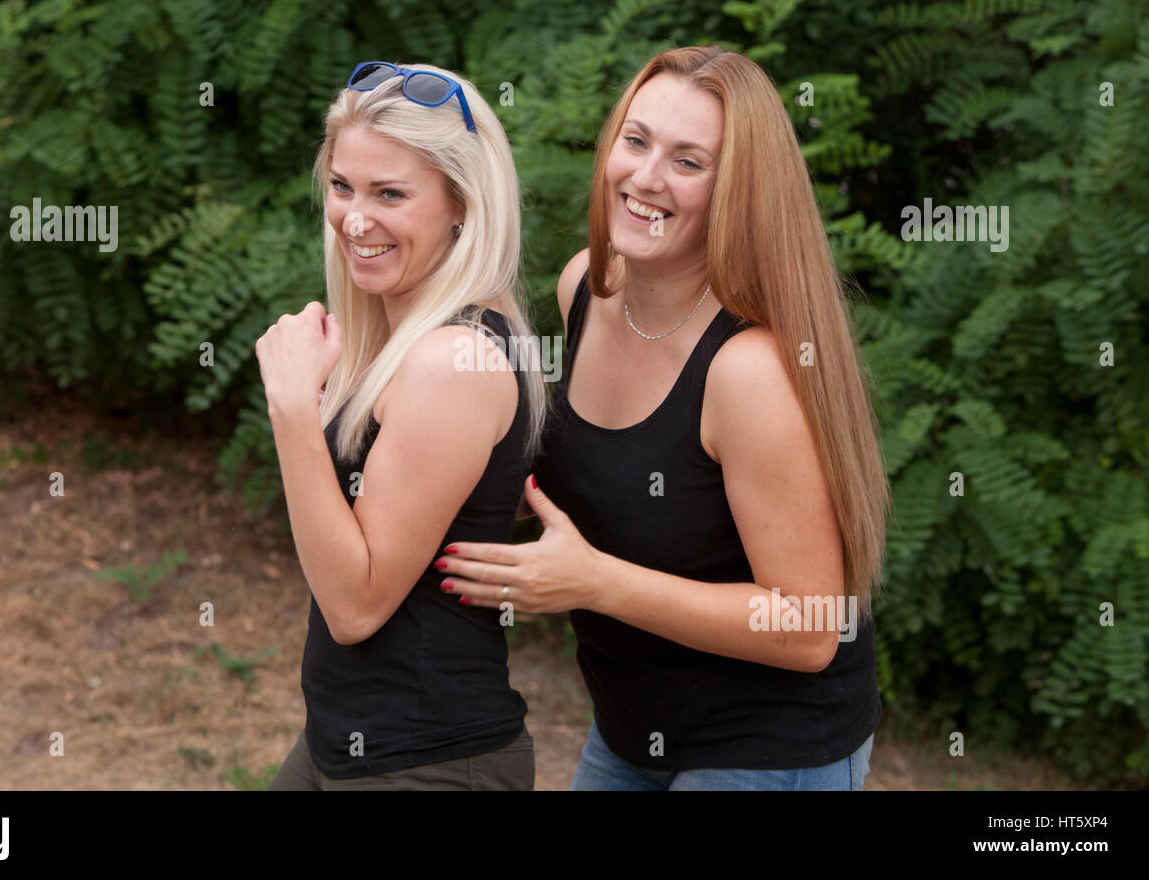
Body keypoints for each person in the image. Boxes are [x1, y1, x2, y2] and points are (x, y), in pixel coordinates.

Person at [434, 46, 888, 790]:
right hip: (631, 730)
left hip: (768, 748)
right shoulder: (585, 287)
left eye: (688, 161)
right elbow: (603, 477)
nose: (644, 178)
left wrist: (592, 583)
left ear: (737, 192)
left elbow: (810, 627)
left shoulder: (748, 371)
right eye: (636, 141)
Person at [259, 61, 546, 790]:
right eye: (343, 186)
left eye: (391, 193)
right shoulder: (417, 333)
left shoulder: (450, 359)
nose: (356, 219)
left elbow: (355, 606)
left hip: (426, 761)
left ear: (462, 205)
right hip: (349, 743)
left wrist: (293, 408)